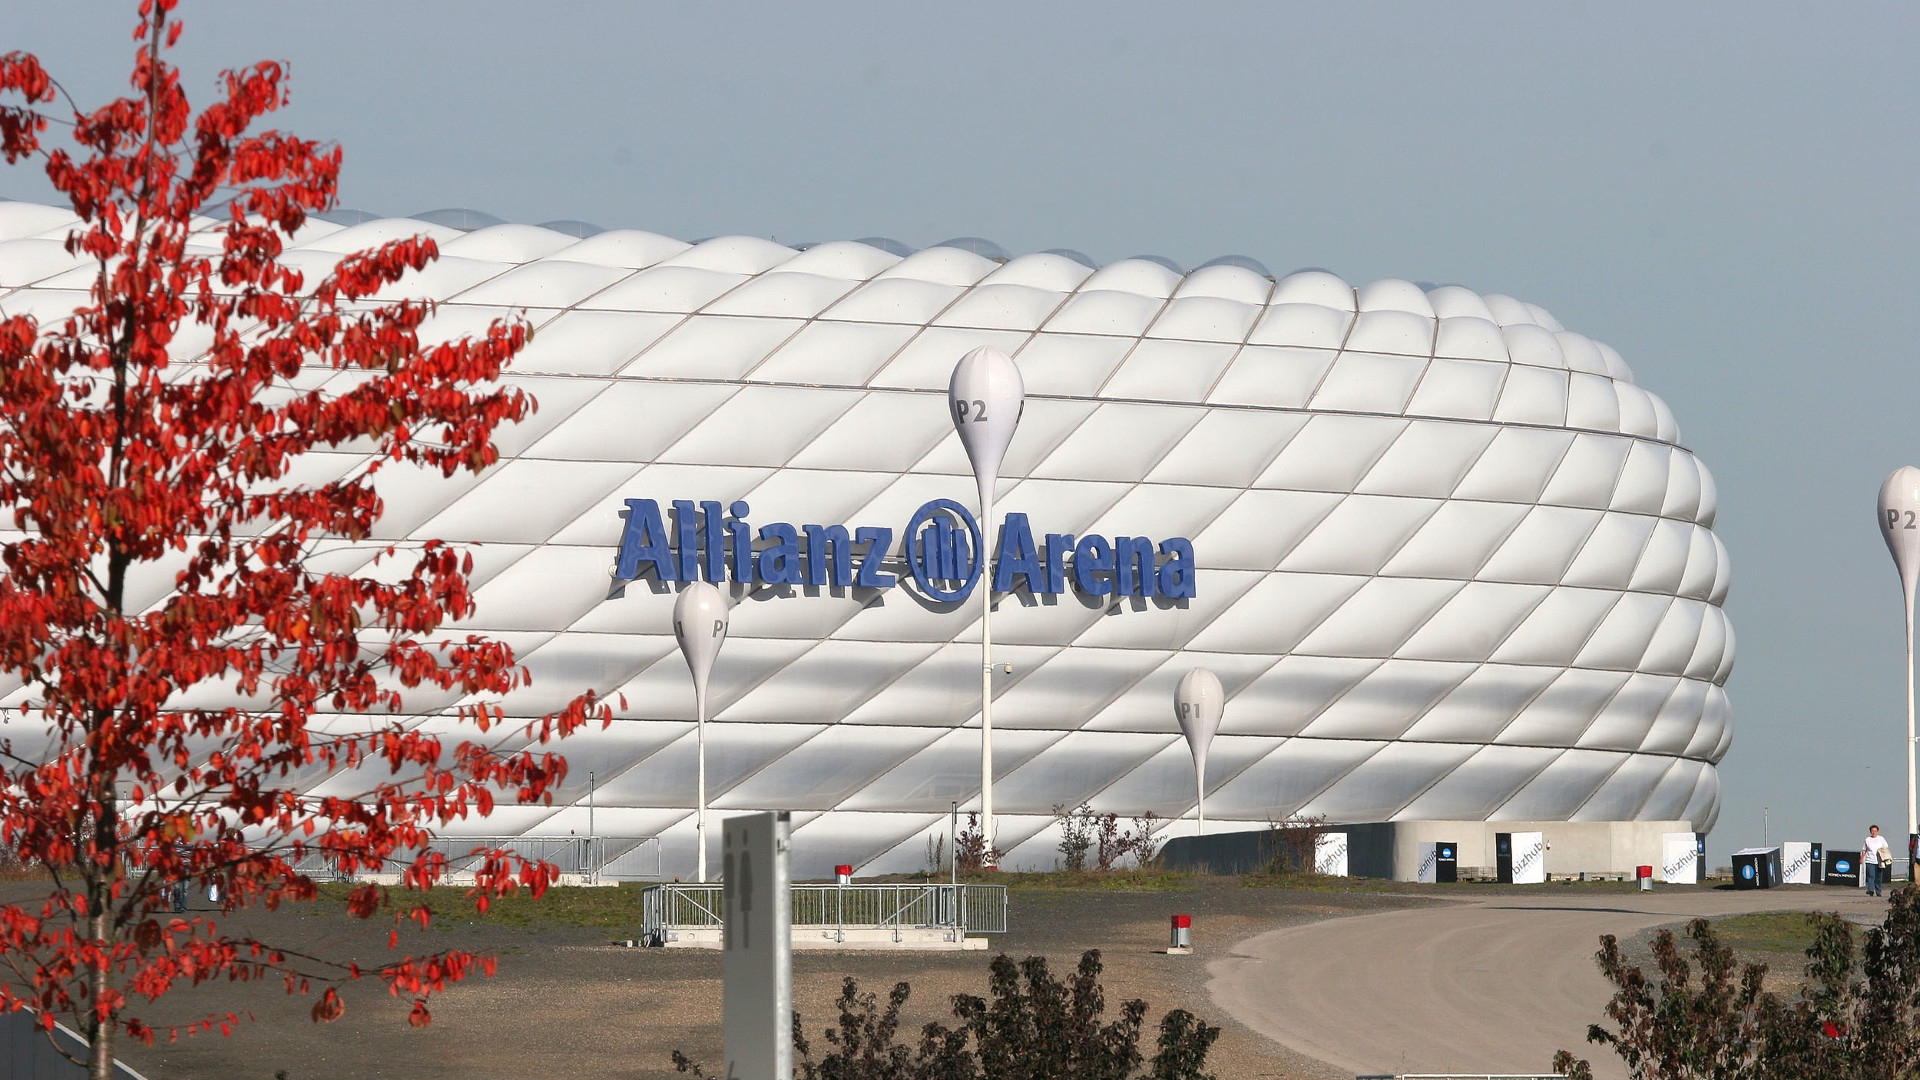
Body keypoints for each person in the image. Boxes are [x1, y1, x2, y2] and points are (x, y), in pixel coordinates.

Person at [1864, 825, 1893, 897]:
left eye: (1875, 831)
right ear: (1870, 831)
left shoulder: (1881, 839)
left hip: (1879, 861)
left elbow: (1886, 847)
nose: (1874, 832)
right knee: (1871, 875)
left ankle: (1878, 891)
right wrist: (1861, 858)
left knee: (1878, 876)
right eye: (1872, 831)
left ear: (1877, 831)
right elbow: (1864, 850)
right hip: (1870, 860)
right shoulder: (1867, 839)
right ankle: (1870, 890)